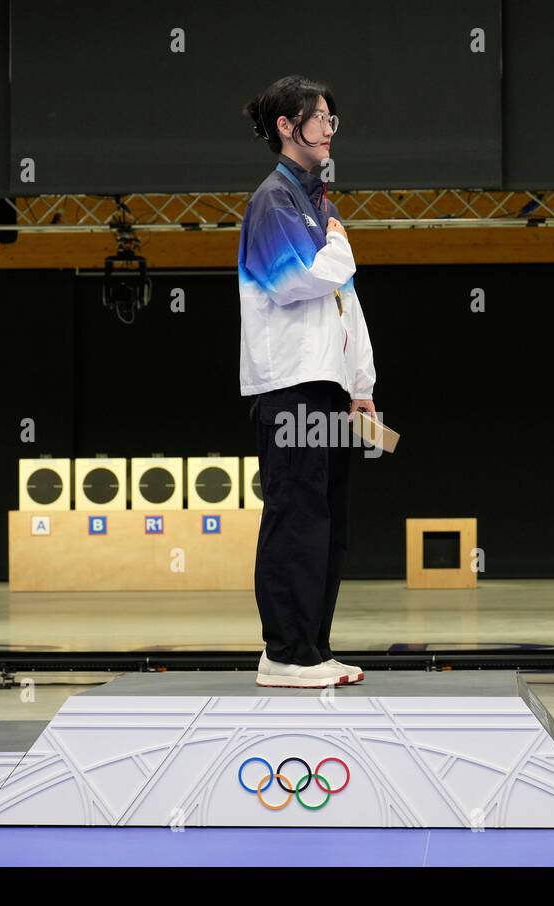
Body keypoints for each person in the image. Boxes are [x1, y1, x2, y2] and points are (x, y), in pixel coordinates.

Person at [239, 75, 377, 688]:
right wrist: (342, 251)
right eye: (317, 118)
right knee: (296, 513)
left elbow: (347, 303)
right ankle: (285, 653)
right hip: (289, 384)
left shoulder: (320, 204)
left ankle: (314, 650)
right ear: (286, 128)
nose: (328, 128)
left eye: (331, 118)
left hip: (328, 387)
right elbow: (294, 281)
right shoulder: (273, 200)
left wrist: (362, 387)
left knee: (329, 519)